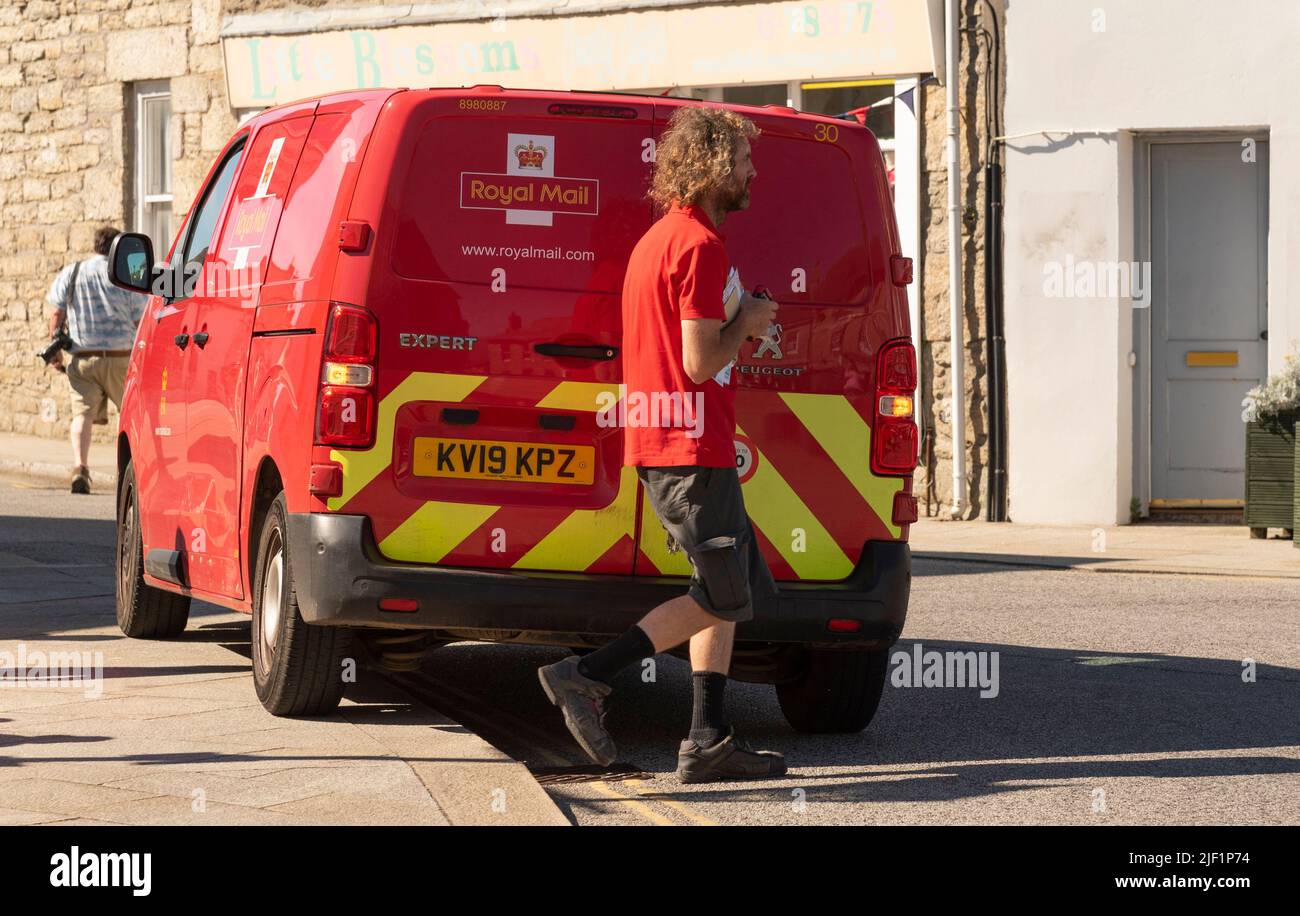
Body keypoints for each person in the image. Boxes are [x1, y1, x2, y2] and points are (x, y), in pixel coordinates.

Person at [538, 106, 786, 783]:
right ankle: (585, 676)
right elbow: (702, 360)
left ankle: (708, 739)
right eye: (742, 159)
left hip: (672, 438)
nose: (750, 171)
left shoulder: (660, 239)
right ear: (713, 165)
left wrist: (738, 320)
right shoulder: (700, 246)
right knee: (725, 591)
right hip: (689, 444)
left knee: (724, 588)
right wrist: (754, 321)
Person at [45, 226, 149, 493]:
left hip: (83, 357)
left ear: (95, 246)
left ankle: (80, 468)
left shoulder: (73, 272)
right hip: (120, 358)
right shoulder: (124, 275)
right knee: (129, 415)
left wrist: (55, 350)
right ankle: (133, 470)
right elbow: (140, 319)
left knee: (81, 415)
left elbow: (56, 314)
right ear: (117, 247)